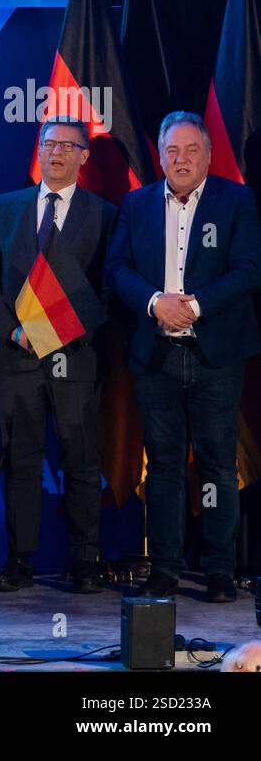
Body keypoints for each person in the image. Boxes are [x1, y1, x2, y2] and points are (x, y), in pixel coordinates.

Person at [108, 111, 261, 602]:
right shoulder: (136, 204)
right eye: (172, 151)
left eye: (191, 150)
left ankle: (219, 569)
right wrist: (156, 303)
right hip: (156, 356)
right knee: (165, 464)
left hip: (215, 354)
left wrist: (191, 307)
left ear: (209, 156)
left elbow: (246, 270)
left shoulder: (235, 200)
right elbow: (117, 267)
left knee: (218, 465)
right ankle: (166, 568)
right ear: (159, 154)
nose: (181, 159)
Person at [0, 119, 116, 593]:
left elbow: (108, 287)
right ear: (38, 151)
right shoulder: (5, 207)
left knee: (80, 461)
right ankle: (20, 560)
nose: (55, 152)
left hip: (76, 357)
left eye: (67, 146)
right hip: (17, 356)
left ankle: (85, 562)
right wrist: (17, 331)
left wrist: (60, 329)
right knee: (20, 459)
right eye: (48, 143)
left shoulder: (105, 214)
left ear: (83, 156)